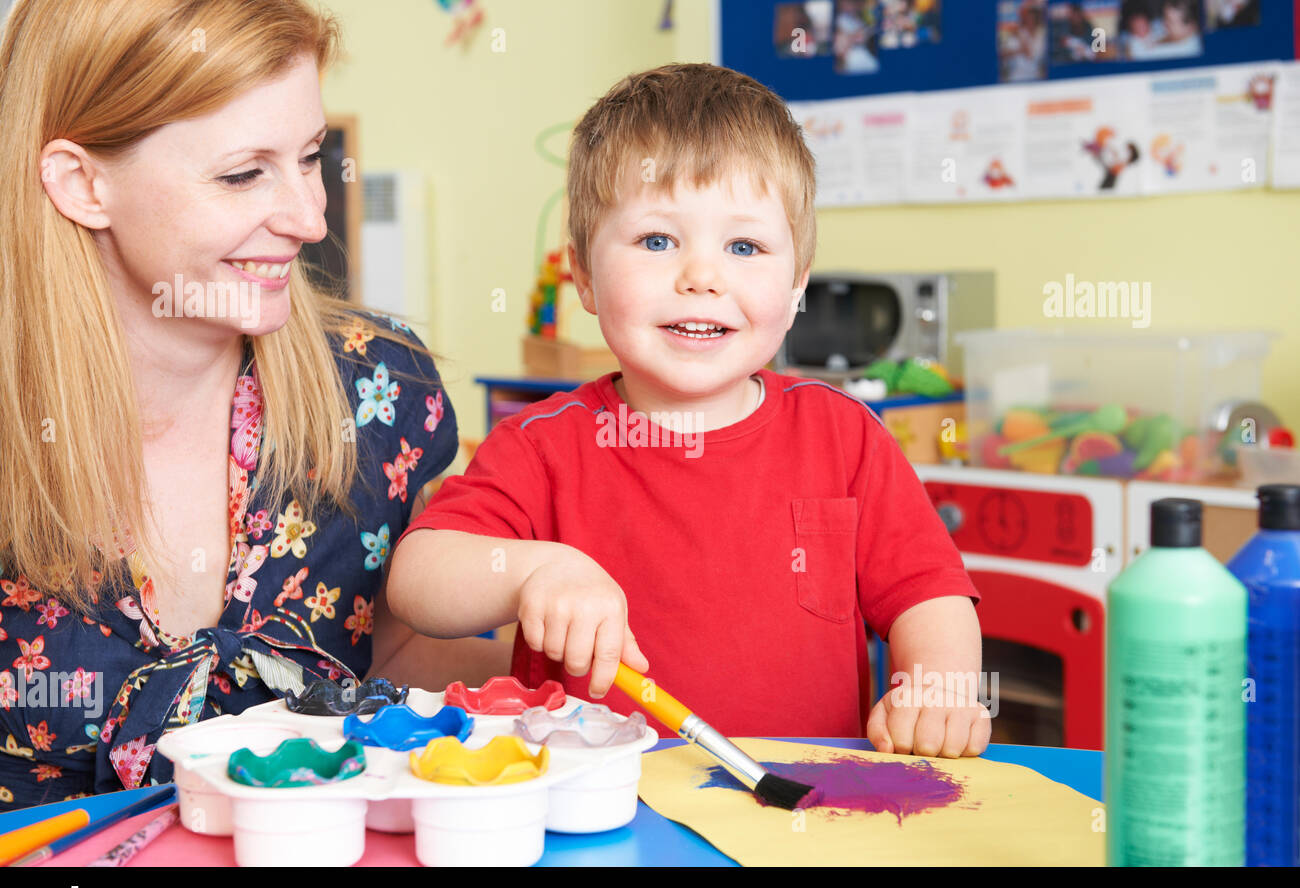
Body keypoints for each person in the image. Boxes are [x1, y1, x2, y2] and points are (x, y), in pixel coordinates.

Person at [387, 64, 990, 758]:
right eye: (656, 241)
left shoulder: (844, 434)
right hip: (603, 812)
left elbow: (928, 594)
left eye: (744, 247)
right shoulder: (541, 445)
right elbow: (416, 578)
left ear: (796, 283)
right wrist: (533, 572)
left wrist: (939, 689)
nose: (701, 277)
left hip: (805, 815)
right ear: (582, 274)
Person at [0, 0, 505, 809]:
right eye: (243, 173)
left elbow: (389, 666)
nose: (310, 220)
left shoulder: (379, 394)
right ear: (81, 183)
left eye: (309, 158)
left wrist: (568, 655)